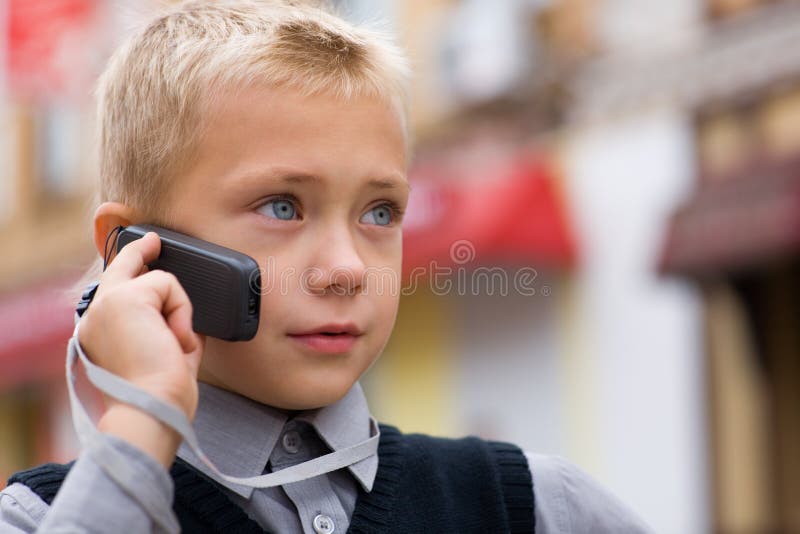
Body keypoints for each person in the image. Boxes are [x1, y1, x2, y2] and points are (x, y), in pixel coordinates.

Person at [0, 1, 652, 532]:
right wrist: (142, 419)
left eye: (379, 212)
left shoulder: (530, 507)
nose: (346, 269)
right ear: (131, 248)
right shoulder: (41, 517)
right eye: (282, 207)